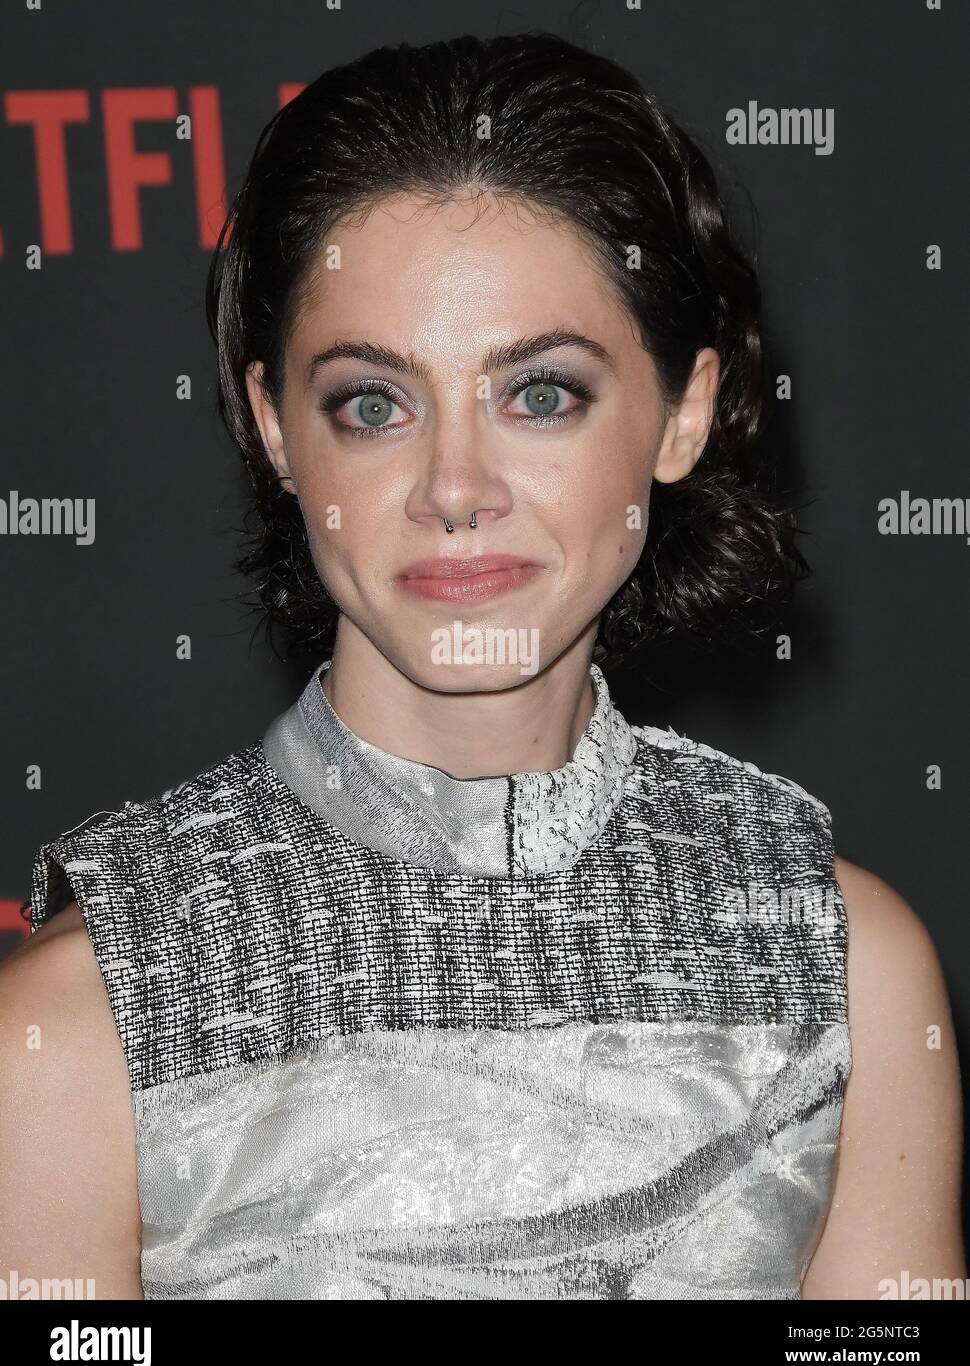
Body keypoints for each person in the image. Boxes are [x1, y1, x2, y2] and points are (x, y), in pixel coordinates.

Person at [1, 32, 964, 1301]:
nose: (455, 489)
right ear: (276, 431)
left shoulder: (843, 962)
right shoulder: (79, 1020)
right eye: (373, 405)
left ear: (681, 412)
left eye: (541, 394)